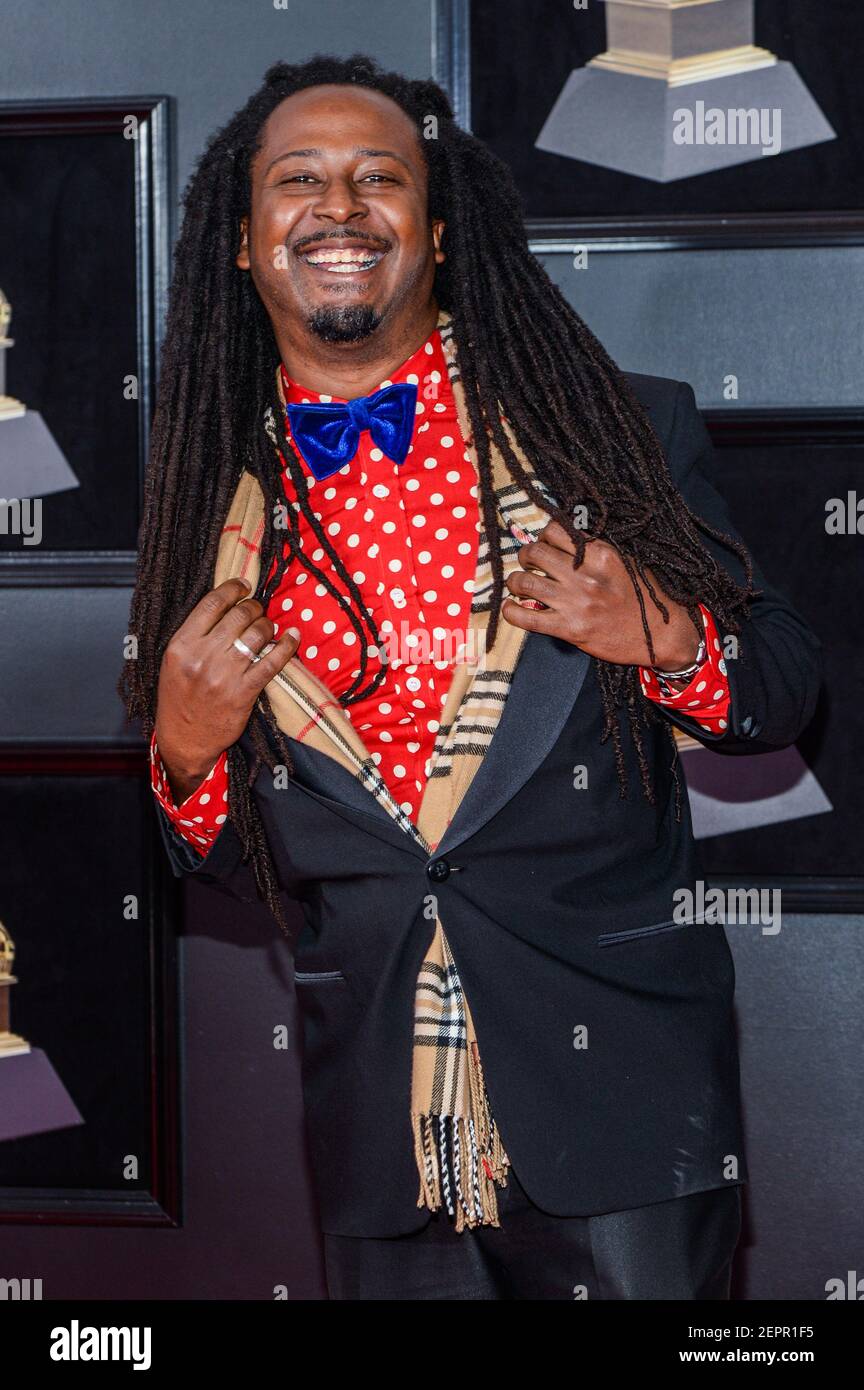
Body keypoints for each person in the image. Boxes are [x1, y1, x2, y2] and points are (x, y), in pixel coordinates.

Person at [121, 53, 821, 1300]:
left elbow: (785, 686)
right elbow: (249, 868)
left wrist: (660, 632)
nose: (339, 208)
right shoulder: (203, 509)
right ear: (242, 245)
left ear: (436, 234)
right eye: (299, 182)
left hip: (627, 1110)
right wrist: (181, 756)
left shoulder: (606, 432)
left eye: (379, 178)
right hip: (382, 1124)